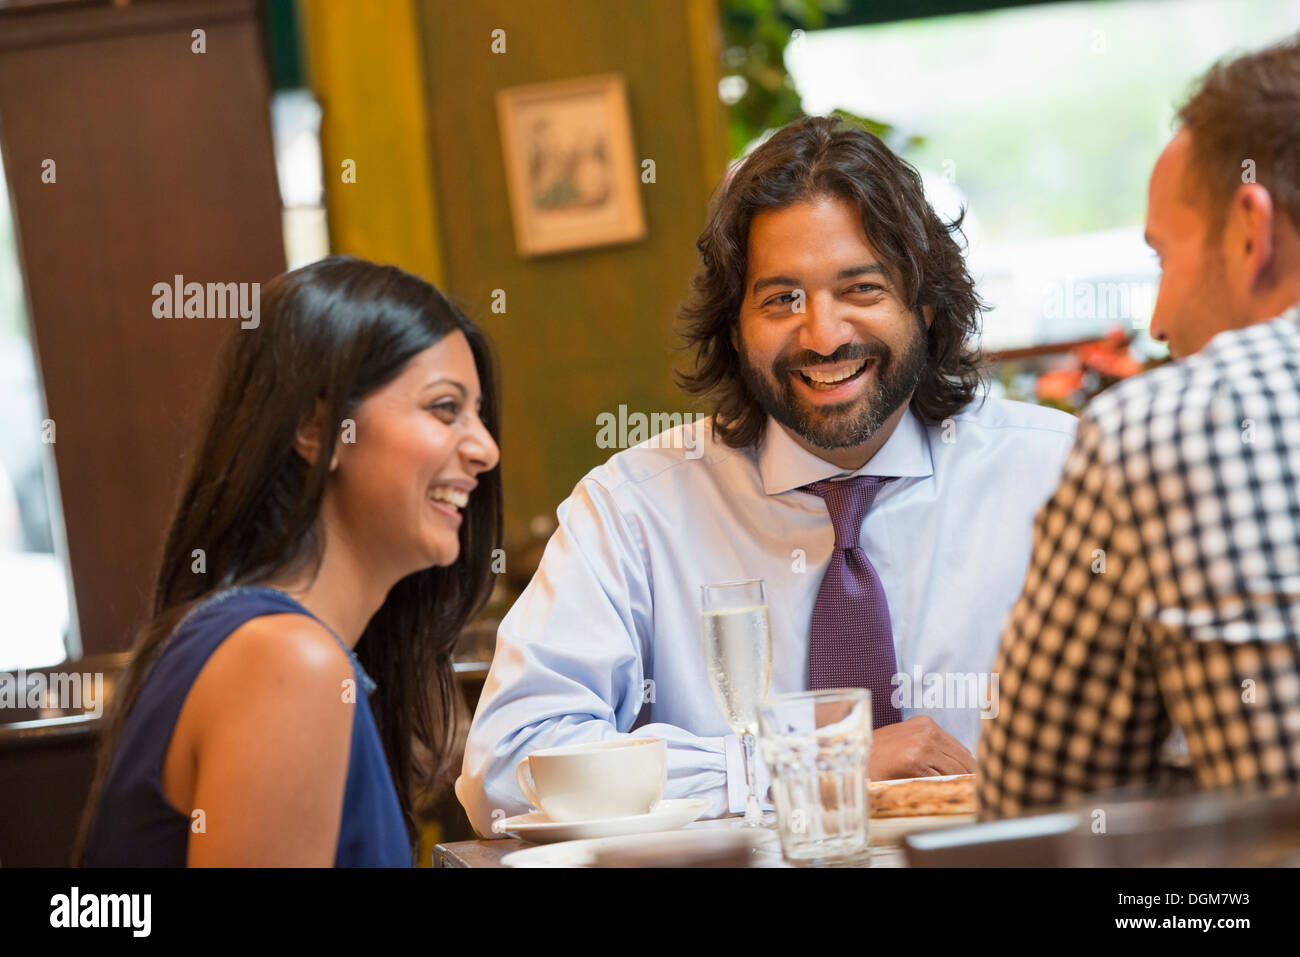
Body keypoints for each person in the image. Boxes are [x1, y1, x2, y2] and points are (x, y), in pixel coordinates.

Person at [457, 115, 1077, 835]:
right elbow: (508, 768)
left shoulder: (1057, 474)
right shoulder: (632, 511)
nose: (823, 335)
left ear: (927, 305)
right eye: (782, 298)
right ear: (733, 327)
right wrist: (807, 764)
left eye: (862, 288)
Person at [76, 256, 502, 865]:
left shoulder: (254, 642)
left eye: (479, 414)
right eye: (444, 408)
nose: (485, 448)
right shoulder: (289, 664)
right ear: (316, 427)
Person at [978, 35, 1300, 819]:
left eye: (1164, 259)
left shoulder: (1162, 428)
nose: (1157, 322)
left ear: (1251, 230)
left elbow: (1037, 811)